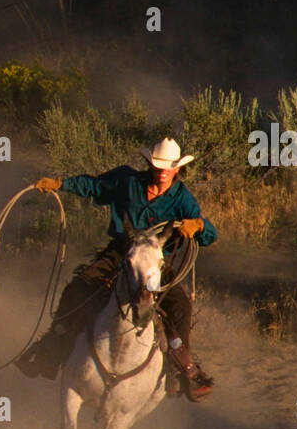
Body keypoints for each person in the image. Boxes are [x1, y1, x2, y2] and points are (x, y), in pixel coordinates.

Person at [15, 137, 217, 402]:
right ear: (150, 164)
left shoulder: (182, 198)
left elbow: (209, 232)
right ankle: (51, 351)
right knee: (79, 287)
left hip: (155, 263)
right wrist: (60, 184)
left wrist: (198, 226)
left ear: (178, 169)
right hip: (121, 252)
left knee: (178, 305)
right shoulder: (128, 181)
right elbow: (94, 186)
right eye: (158, 165)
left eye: (168, 166)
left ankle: (182, 368)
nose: (162, 171)